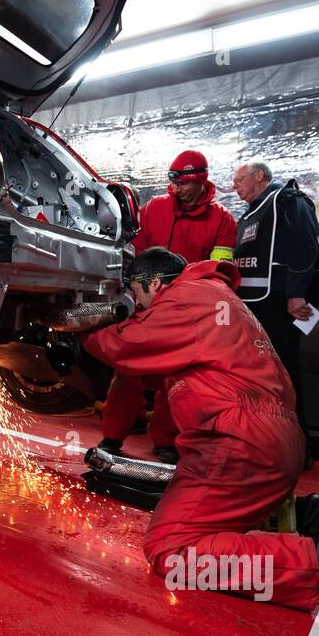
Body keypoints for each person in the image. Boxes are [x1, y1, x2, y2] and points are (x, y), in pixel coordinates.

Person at [82, 247, 319, 630]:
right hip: (276, 439)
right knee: (210, 512)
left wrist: (80, 330)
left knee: (171, 548)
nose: (139, 307)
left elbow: (126, 344)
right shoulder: (217, 296)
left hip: (239, 442)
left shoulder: (183, 299)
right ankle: (312, 517)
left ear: (154, 283)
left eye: (138, 296)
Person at [102, 150, 237, 463]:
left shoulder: (222, 221)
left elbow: (219, 270)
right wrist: (134, 289)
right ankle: (112, 435)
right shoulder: (154, 209)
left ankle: (165, 441)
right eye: (173, 182)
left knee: (173, 379)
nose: (177, 189)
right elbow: (134, 252)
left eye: (185, 183)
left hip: (185, 309)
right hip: (146, 302)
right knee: (128, 370)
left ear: (201, 181)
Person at [230, 161, 319, 432]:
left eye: (239, 179)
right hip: (251, 305)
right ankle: (262, 433)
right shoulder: (248, 215)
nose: (235, 187)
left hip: (279, 303)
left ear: (259, 176)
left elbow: (305, 246)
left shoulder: (287, 200)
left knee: (283, 371)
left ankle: (295, 438)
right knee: (255, 372)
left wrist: (296, 294)